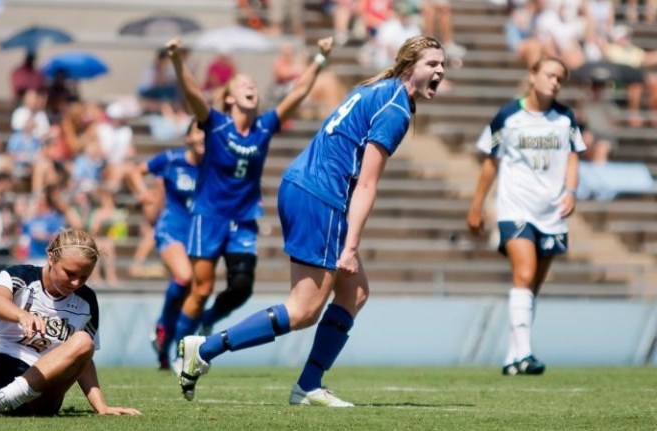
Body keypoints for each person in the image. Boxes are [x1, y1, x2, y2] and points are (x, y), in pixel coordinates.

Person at [176, 35, 446, 406]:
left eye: (442, 65)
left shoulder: (378, 90)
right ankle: (204, 348)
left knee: (354, 291)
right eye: (432, 64)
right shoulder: (395, 107)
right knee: (303, 310)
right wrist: (349, 247)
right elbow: (366, 184)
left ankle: (309, 383)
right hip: (321, 195)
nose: (440, 71)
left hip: (302, 185)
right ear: (408, 66)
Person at [165, 35, 335, 372]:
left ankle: (207, 326)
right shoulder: (214, 123)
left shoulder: (263, 126)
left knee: (242, 288)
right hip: (209, 215)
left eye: (252, 84)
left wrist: (318, 58)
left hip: (243, 218)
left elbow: (298, 92)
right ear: (229, 96)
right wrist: (176, 59)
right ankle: (177, 350)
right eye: (242, 83)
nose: (250, 86)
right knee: (201, 289)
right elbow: (192, 94)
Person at [0, 229, 142, 420]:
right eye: (70, 273)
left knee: (84, 342)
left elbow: (83, 360)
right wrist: (21, 315)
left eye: (84, 277)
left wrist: (101, 407)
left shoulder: (87, 301)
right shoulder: (18, 275)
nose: (76, 282)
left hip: (41, 389)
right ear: (51, 258)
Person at [466, 56, 585, 376]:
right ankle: (527, 353)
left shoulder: (565, 118)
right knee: (523, 273)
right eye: (549, 75)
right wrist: (477, 204)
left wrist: (571, 192)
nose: (555, 82)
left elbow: (574, 157)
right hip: (515, 207)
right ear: (533, 76)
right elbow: (490, 162)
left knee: (532, 285)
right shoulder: (508, 116)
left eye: (560, 78)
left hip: (552, 210)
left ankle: (513, 355)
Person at [129, 119, 204, 369]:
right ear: (188, 138)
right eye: (198, 131)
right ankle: (167, 333)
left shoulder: (215, 167)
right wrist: (143, 194)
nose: (204, 136)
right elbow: (136, 171)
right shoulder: (171, 159)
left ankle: (165, 339)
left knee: (194, 292)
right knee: (184, 277)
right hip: (171, 229)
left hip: (199, 235)